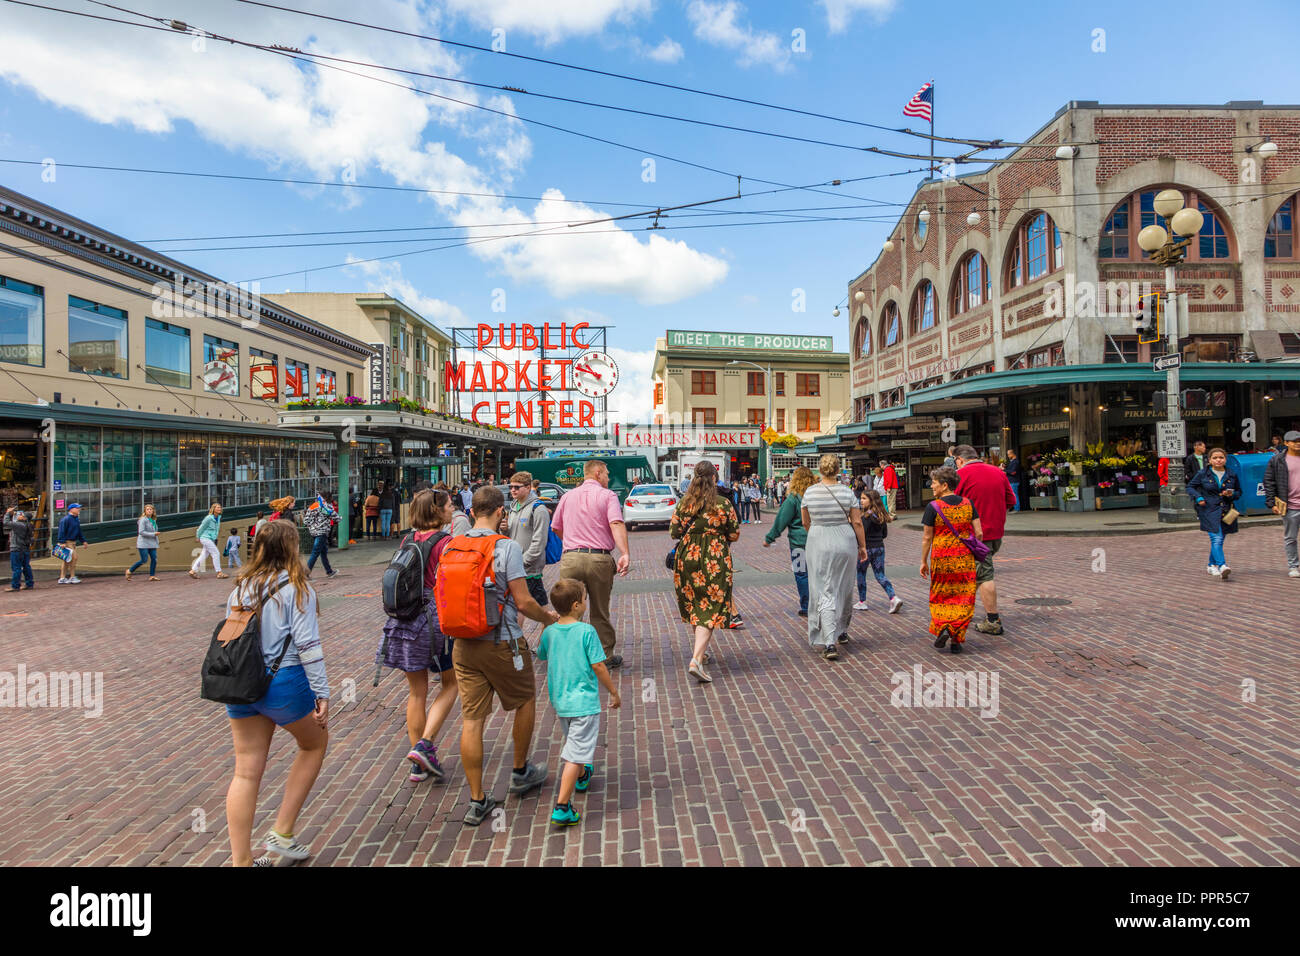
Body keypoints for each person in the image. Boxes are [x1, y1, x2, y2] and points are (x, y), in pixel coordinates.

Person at [221, 519, 329, 867]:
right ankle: (282, 831)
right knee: (313, 744)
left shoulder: (239, 588)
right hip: (285, 680)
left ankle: (241, 861)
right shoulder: (297, 588)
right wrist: (322, 691)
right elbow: (308, 645)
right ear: (292, 548)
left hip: (243, 684)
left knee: (245, 771)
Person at [452, 485, 560, 826]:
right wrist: (549, 618)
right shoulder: (506, 547)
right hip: (503, 640)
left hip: (463, 643)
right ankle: (519, 770)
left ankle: (477, 798)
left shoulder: (452, 545)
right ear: (502, 512)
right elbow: (524, 601)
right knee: (525, 700)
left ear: (472, 513)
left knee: (472, 720)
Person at [379, 490, 460, 784]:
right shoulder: (446, 543)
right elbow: (448, 584)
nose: (453, 509)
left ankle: (418, 764)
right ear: (438, 512)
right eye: (449, 506)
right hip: (432, 619)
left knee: (416, 693)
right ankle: (425, 745)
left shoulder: (407, 540)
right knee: (452, 684)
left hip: (404, 622)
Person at [537, 578, 620, 826]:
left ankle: (583, 774)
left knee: (576, 744)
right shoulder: (586, 632)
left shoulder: (550, 631)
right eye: (584, 599)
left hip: (561, 702)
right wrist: (614, 692)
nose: (586, 603)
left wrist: (546, 625)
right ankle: (562, 806)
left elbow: (541, 654)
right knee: (574, 753)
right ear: (576, 605)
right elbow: (598, 665)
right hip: (583, 702)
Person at [551, 459, 631, 669]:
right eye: (606, 473)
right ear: (597, 473)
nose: (608, 477)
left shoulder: (567, 496)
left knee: (568, 609)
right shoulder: (608, 496)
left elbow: (556, 527)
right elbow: (615, 522)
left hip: (571, 557)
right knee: (599, 609)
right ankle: (605, 655)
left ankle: (570, 655)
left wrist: (571, 544)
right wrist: (624, 552)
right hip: (599, 558)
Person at [670, 461, 740, 683]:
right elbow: (734, 534)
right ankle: (696, 659)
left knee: (694, 603)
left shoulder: (684, 503)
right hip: (714, 557)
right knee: (711, 607)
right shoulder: (723, 504)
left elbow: (674, 531)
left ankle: (701, 652)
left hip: (687, 557)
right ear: (714, 478)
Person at [801, 454, 866, 662]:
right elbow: (857, 522)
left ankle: (829, 640)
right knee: (844, 587)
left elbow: (805, 522)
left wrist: (817, 534)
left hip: (818, 539)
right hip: (844, 540)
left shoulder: (810, 492)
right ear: (838, 470)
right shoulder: (847, 492)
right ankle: (842, 629)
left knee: (823, 589)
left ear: (820, 470)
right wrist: (862, 546)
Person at [919, 466, 982, 654]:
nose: (932, 486)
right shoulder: (968, 503)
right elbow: (979, 532)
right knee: (963, 596)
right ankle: (956, 638)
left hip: (942, 559)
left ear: (945, 485)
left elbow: (927, 538)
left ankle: (944, 625)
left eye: (935, 483)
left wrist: (923, 561)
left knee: (942, 595)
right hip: (964, 558)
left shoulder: (933, 507)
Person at [954, 445, 1015, 636]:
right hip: (996, 531)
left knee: (985, 575)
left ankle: (993, 620)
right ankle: (964, 607)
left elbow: (951, 502)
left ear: (960, 460)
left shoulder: (961, 475)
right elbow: (1010, 501)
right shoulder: (998, 472)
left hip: (975, 535)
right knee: (976, 572)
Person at [763, 464, 813, 617]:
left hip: (799, 542)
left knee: (801, 574)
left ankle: (806, 606)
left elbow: (781, 520)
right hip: (818, 541)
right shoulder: (815, 495)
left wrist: (769, 538)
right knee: (818, 574)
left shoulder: (793, 498)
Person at [1186, 447, 1240, 580]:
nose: (1218, 460)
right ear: (1209, 460)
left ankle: (1211, 565)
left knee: (1220, 539)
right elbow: (1190, 487)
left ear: (1225, 459)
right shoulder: (1203, 474)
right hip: (1208, 510)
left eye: (1221, 457)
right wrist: (1199, 498)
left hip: (1226, 511)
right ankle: (1222, 566)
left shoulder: (1231, 474)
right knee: (1216, 538)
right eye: (1215, 458)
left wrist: (1231, 493)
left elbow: (1239, 492)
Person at [506, 471, 551, 609]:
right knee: (534, 604)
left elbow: (539, 540)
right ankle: (549, 627)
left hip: (528, 568)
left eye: (517, 487)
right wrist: (503, 529)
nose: (513, 490)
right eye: (511, 487)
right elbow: (512, 534)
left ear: (528, 487)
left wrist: (524, 561)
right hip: (517, 566)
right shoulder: (513, 507)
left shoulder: (538, 508)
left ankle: (548, 627)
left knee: (520, 606)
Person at [855, 489, 902, 613]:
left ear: (872, 501)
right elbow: (885, 534)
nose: (861, 501)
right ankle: (893, 597)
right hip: (879, 548)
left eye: (864, 498)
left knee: (861, 573)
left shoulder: (866, 516)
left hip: (866, 548)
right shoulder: (880, 515)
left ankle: (862, 601)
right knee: (880, 575)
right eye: (861, 498)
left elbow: (862, 533)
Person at [1263, 429, 1300, 578]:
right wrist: (1272, 503)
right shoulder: (1277, 460)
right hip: (1289, 505)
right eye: (1294, 441)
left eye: (1299, 441)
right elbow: (1269, 481)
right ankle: (1293, 566)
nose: (1297, 444)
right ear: (1286, 443)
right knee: (1291, 538)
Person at [189, 503, 228, 580]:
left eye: (220, 507)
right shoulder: (209, 518)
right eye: (217, 508)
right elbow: (200, 528)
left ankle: (193, 571)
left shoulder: (218, 517)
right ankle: (219, 573)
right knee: (216, 553)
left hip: (211, 539)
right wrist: (198, 537)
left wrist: (215, 538)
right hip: (205, 538)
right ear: (213, 509)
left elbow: (216, 529)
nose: (219, 509)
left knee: (204, 555)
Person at [303, 495, 339, 577]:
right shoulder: (327, 506)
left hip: (313, 532)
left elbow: (306, 521)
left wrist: (313, 526)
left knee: (323, 552)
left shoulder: (313, 506)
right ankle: (306, 572)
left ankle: (329, 571)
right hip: (322, 532)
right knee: (315, 552)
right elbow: (336, 518)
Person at [125, 503, 159, 581]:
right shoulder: (142, 520)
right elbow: (141, 532)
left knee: (154, 559)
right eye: (147, 509)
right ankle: (129, 571)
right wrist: (153, 534)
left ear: (153, 511)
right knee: (144, 560)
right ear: (145, 511)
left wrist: (155, 533)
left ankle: (152, 576)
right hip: (143, 543)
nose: (149, 511)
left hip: (152, 543)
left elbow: (154, 530)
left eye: (151, 509)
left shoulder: (153, 520)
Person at [56, 503, 88, 584]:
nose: (79, 509)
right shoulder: (66, 519)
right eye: (77, 508)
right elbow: (61, 531)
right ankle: (72, 577)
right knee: (74, 558)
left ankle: (62, 578)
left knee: (66, 560)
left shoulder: (76, 519)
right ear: (71, 509)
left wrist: (83, 540)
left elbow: (79, 531)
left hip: (72, 542)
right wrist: (62, 542)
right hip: (67, 542)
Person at [4, 507, 34, 591]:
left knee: (16, 568)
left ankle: (15, 586)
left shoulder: (19, 525)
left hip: (17, 548)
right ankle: (29, 583)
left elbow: (6, 523)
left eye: (21, 515)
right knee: (26, 567)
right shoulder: (29, 525)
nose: (19, 515)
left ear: (24, 518)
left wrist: (8, 513)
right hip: (25, 549)